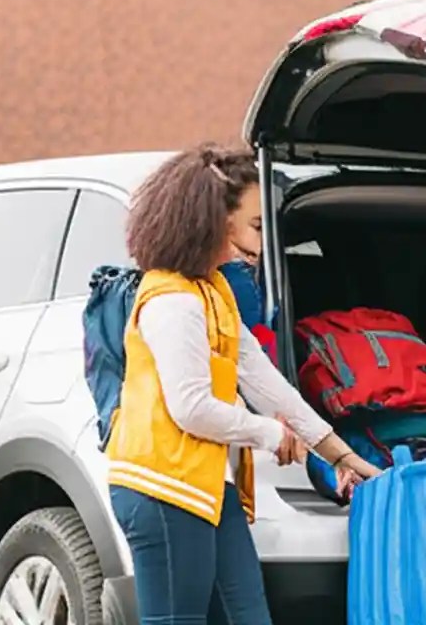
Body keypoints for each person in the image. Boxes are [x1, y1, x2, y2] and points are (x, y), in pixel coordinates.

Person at [106, 142, 382, 625]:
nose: (263, 242)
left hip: (209, 487)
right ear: (214, 220)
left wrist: (344, 456)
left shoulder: (214, 293)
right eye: (256, 226)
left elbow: (267, 384)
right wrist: (271, 435)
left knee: (248, 616)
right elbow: (190, 407)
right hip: (161, 488)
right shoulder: (173, 301)